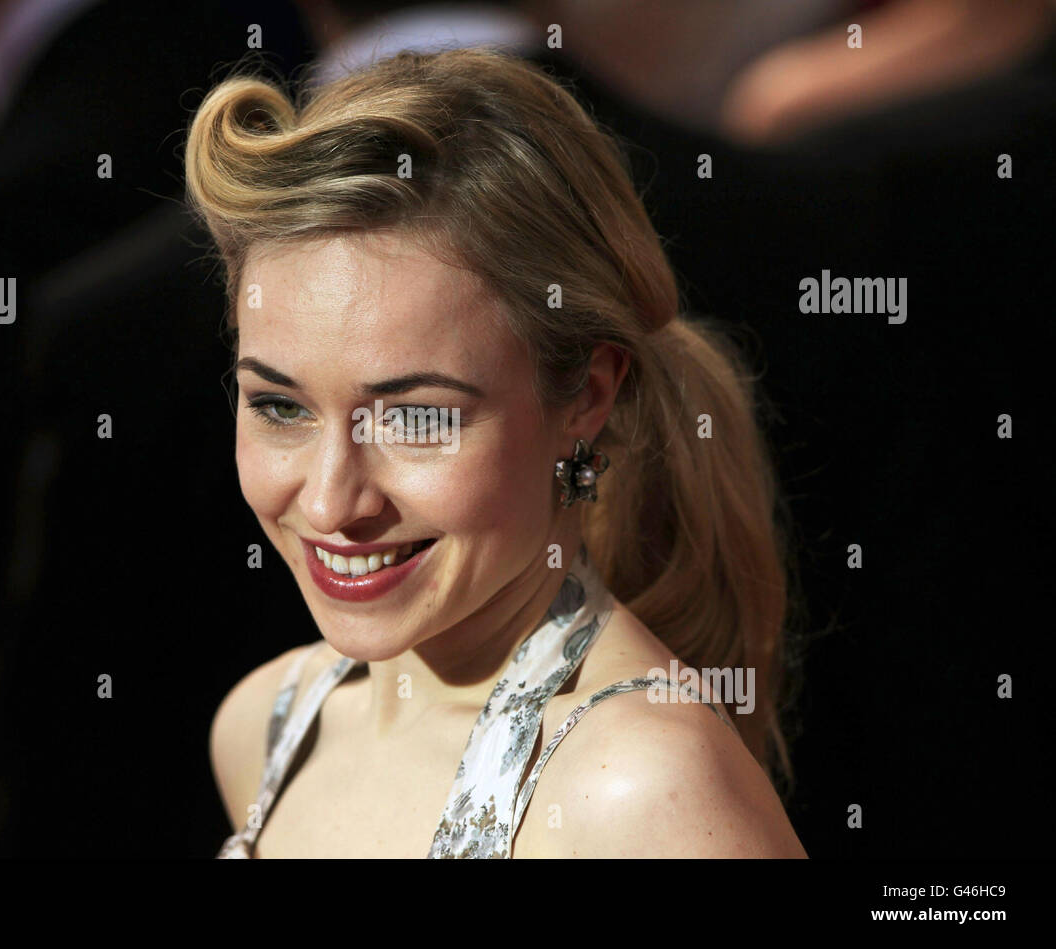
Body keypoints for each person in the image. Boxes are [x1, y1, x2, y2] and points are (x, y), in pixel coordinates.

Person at [185, 46, 807, 858]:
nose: (333, 502)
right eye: (279, 406)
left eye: (415, 419)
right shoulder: (265, 726)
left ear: (586, 395)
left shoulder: (646, 794)